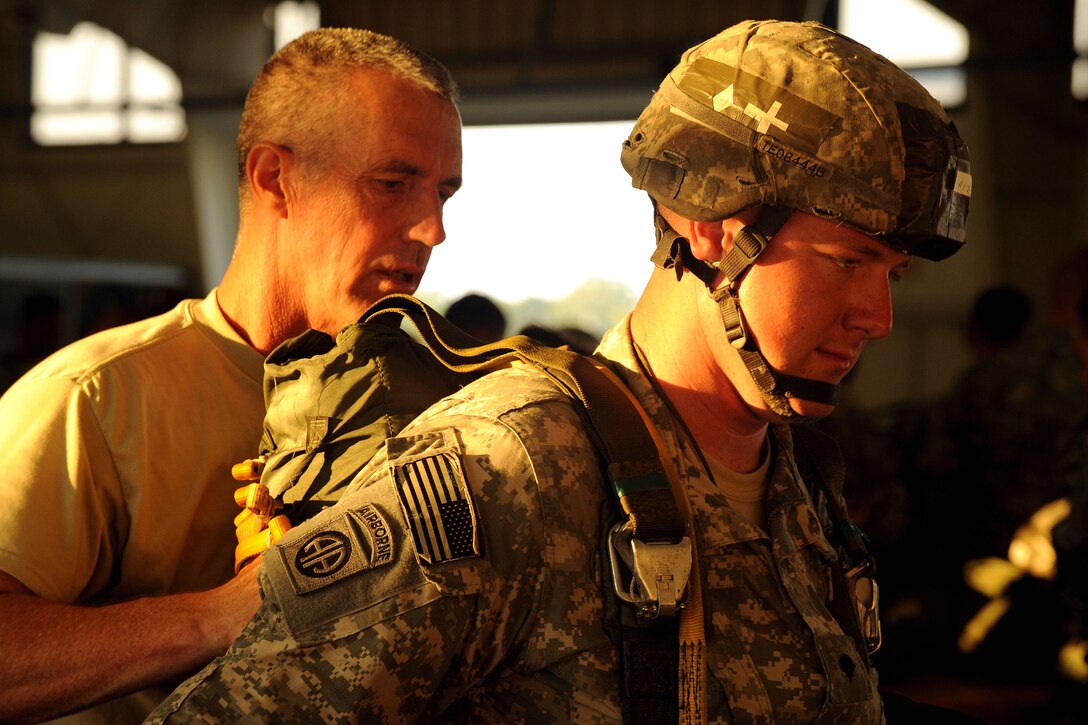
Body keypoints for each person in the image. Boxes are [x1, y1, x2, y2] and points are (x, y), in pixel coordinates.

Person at [150, 20, 972, 723]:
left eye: (892, 274)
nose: (879, 315)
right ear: (713, 224)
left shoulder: (796, 477)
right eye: (846, 262)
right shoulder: (511, 469)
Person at [0, 28, 462, 723]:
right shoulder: (94, 400)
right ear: (276, 178)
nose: (432, 228)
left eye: (444, 193)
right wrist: (229, 614)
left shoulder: (444, 406)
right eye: (393, 184)